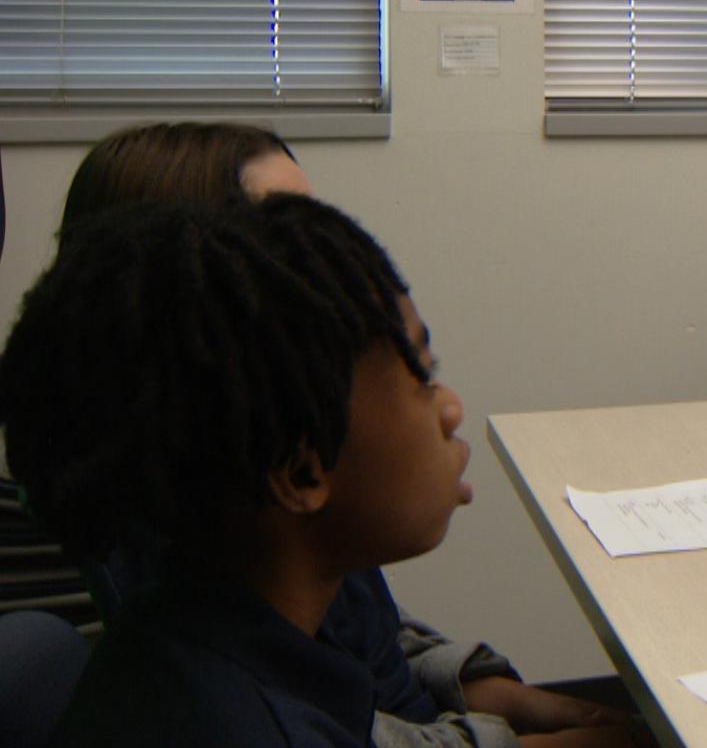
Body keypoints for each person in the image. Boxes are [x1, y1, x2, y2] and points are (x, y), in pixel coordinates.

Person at [43, 123, 643, 746]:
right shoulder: (221, 659)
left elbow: (371, 655)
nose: (451, 407)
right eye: (286, 239)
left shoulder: (239, 586)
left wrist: (491, 695)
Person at [0, 196, 476, 743]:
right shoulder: (251, 725)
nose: (451, 409)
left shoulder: (180, 630)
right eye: (422, 376)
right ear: (302, 473)